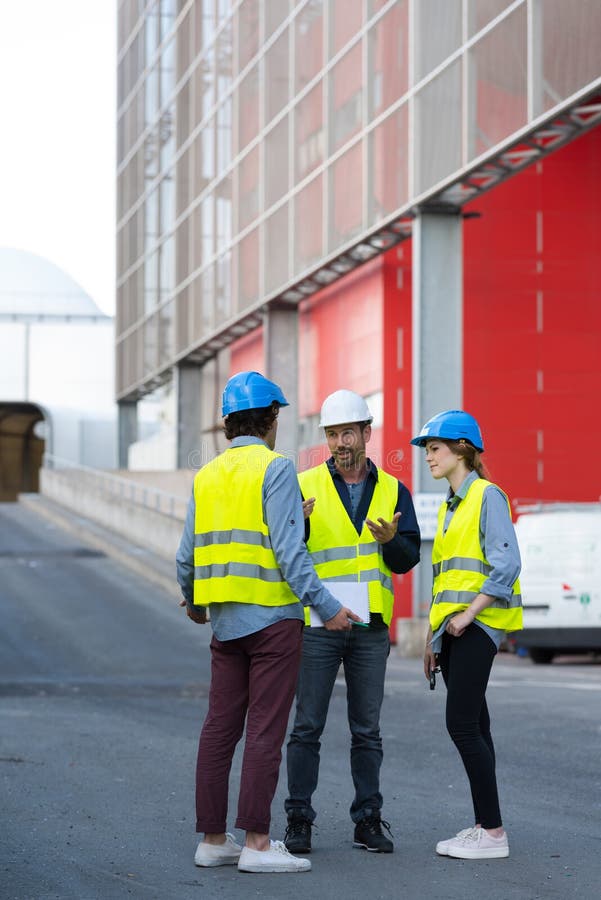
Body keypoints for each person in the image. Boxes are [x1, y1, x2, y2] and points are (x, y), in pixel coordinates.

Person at [176, 371, 360, 875]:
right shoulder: (276, 468)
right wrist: (327, 606)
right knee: (264, 729)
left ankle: (214, 839)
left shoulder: (207, 475)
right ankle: (257, 843)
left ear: (229, 423)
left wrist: (193, 600)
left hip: (225, 624)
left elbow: (186, 554)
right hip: (274, 623)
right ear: (272, 419)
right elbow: (289, 553)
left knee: (219, 729)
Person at [284, 389, 421, 855]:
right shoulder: (302, 487)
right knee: (307, 726)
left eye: (348, 432)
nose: (341, 442)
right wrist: (296, 527)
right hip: (320, 624)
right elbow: (287, 554)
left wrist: (390, 541)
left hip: (370, 628)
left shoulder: (392, 490)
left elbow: (405, 562)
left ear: (367, 433)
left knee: (367, 730)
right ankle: (298, 819)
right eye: (332, 435)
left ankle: (368, 819)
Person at [411, 409, 523, 860]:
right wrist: (431, 638)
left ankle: (493, 832)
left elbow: (507, 563)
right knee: (477, 725)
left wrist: (468, 615)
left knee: (461, 724)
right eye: (425, 451)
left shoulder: (486, 496)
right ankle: (485, 825)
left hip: (477, 625)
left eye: (434, 448)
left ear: (462, 448)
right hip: (453, 629)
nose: (428, 457)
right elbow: (443, 583)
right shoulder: (450, 506)